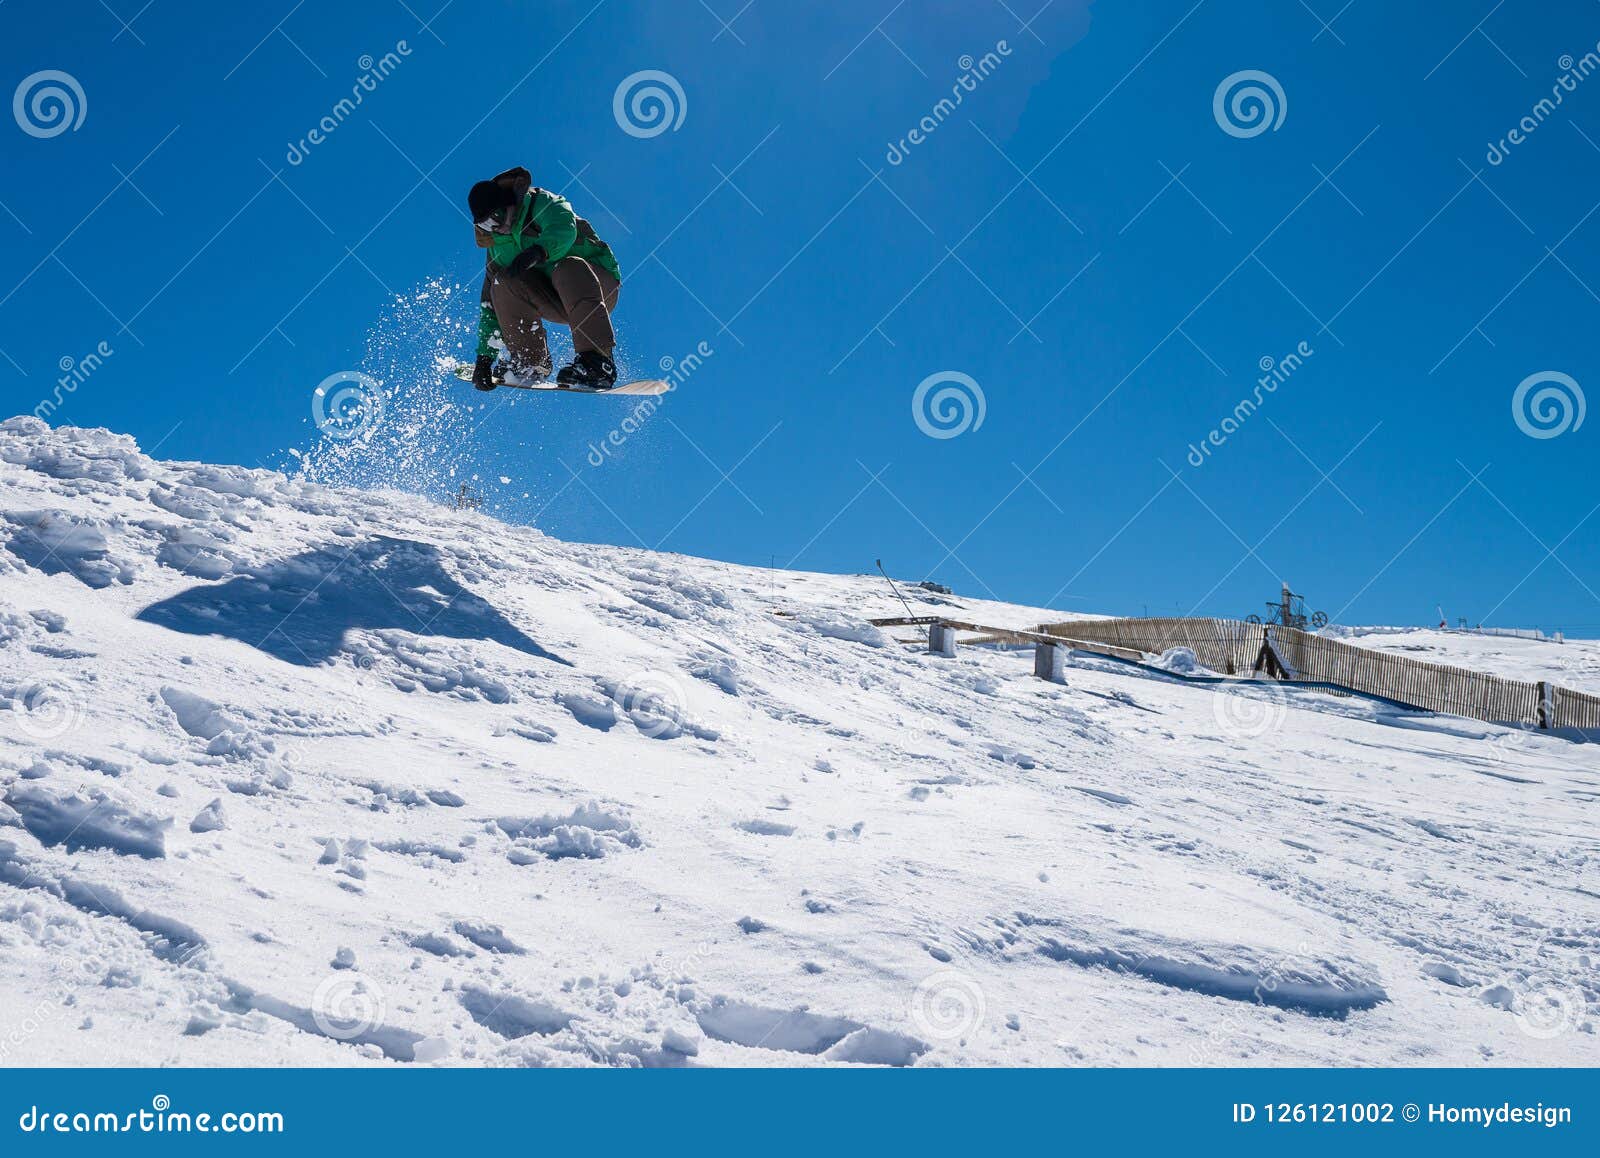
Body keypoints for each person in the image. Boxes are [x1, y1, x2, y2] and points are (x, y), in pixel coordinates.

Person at [467, 167, 622, 390]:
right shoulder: (498, 248)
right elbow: (490, 304)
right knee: (503, 283)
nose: (496, 228)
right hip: (555, 298)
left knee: (567, 267)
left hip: (597, 286)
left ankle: (598, 362)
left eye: (496, 218)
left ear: (508, 203)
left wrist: (539, 251)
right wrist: (484, 359)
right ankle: (530, 362)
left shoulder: (540, 203)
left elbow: (563, 228)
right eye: (486, 225)